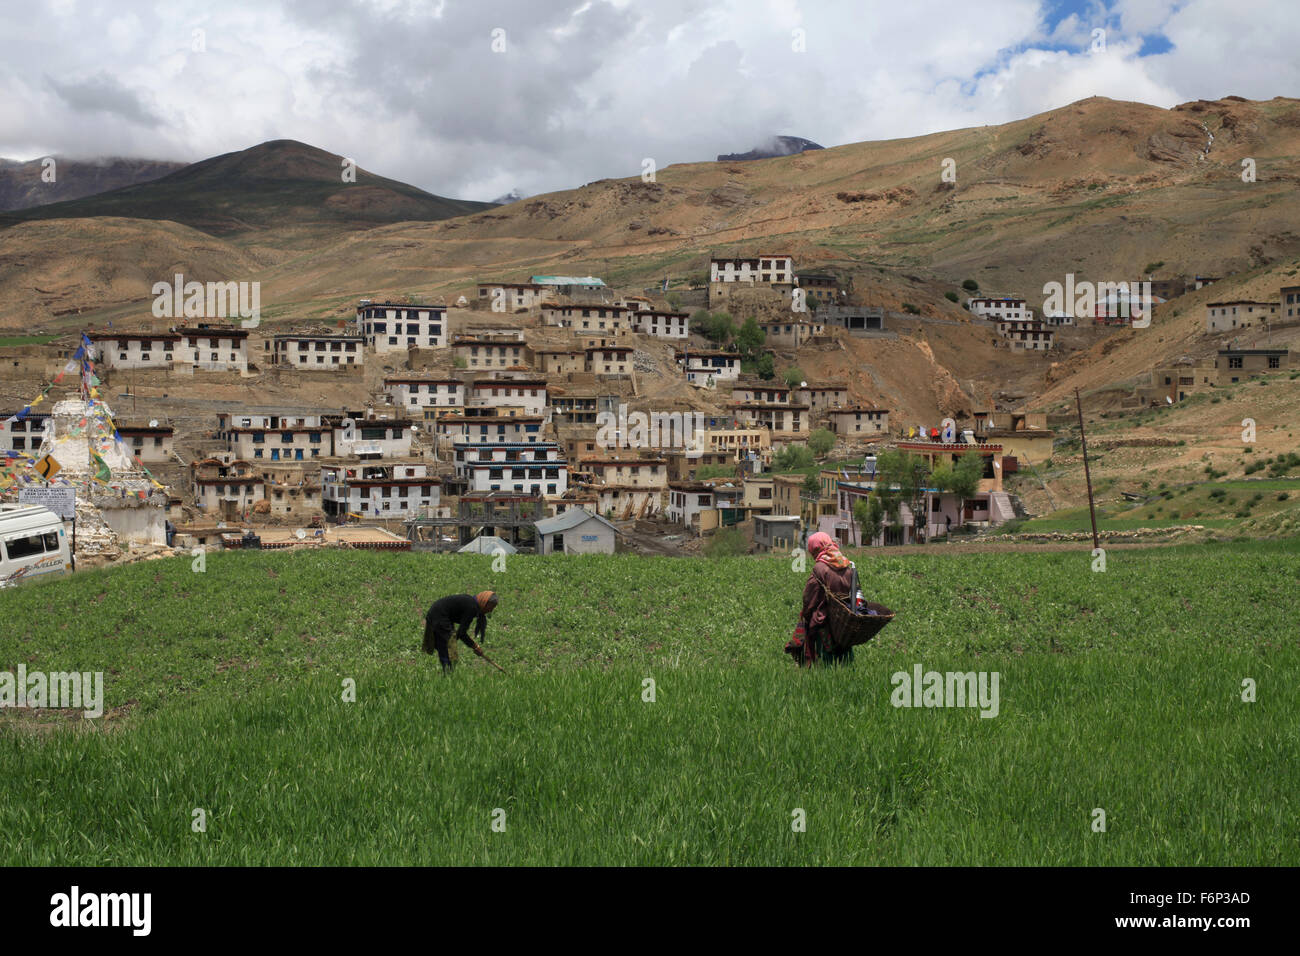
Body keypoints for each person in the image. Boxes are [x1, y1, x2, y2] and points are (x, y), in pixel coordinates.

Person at [792, 532, 856, 667]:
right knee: (846, 666)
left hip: (825, 625)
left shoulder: (819, 569)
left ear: (815, 549)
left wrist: (806, 615)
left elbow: (809, 599)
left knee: (826, 667)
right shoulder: (846, 566)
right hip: (845, 624)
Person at [423, 590, 498, 673]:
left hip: (440, 616)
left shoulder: (472, 604)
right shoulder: (471, 607)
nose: (490, 611)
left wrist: (455, 640)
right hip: (438, 616)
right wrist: (474, 646)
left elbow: (459, 634)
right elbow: (462, 633)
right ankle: (448, 675)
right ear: (485, 602)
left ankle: (449, 673)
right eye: (491, 607)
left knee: (451, 648)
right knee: (448, 648)